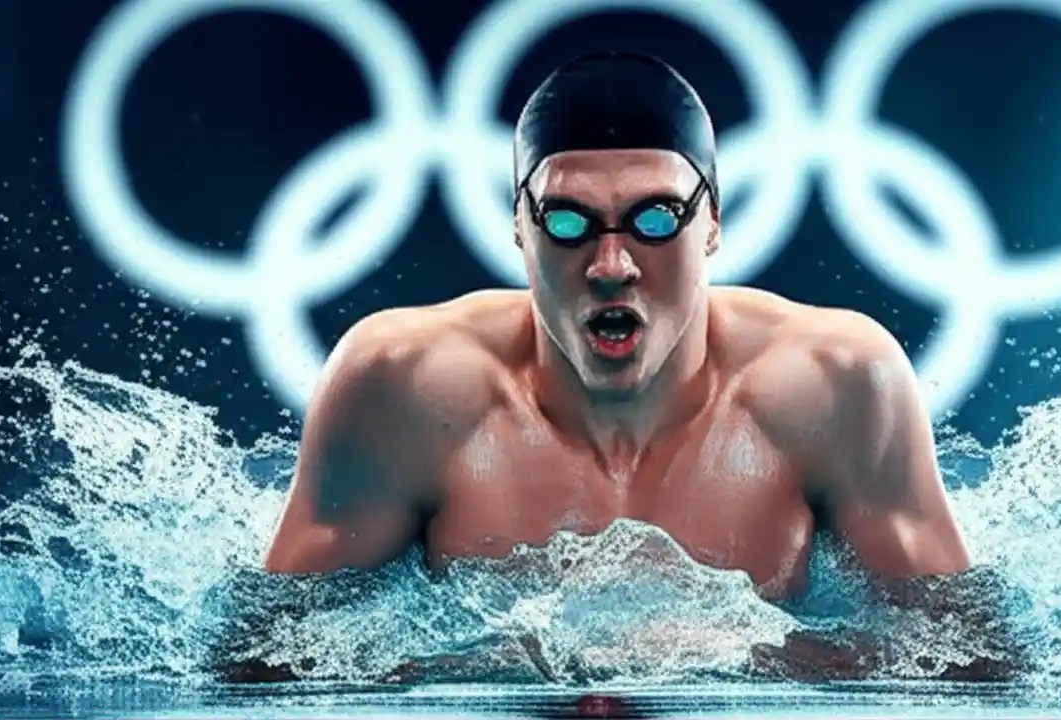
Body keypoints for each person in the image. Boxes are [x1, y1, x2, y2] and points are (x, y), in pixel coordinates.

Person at [257, 51, 1016, 682]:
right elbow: (258, 664)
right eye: (567, 221)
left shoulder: (833, 383)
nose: (611, 263)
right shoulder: (403, 385)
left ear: (712, 223)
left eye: (656, 219)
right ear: (519, 229)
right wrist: (494, 664)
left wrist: (737, 657)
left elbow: (975, 664)